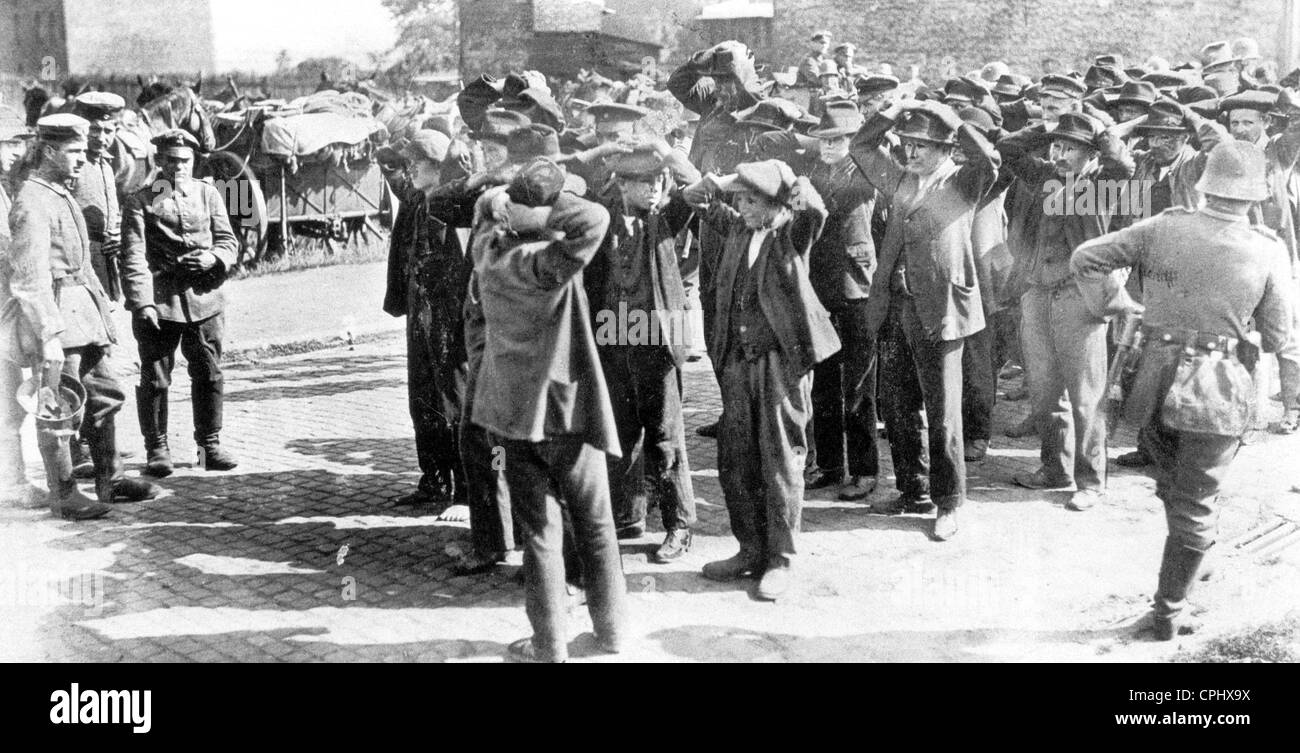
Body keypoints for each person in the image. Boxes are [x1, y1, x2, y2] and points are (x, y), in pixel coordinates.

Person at [1071, 140, 1293, 640]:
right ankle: (1170, 613)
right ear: (1255, 195)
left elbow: (1086, 257)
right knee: (1196, 500)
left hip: (1152, 380)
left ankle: (1196, 560)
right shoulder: (1267, 248)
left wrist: (1119, 305)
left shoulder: (1163, 226)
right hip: (1219, 391)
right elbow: (1282, 338)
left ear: (1204, 186)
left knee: (1173, 483)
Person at [470, 158, 626, 662]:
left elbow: (483, 215)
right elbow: (594, 219)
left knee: (539, 533)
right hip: (567, 415)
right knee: (596, 525)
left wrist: (509, 208)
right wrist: (546, 207)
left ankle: (550, 644)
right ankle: (613, 635)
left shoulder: (487, 255)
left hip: (513, 417)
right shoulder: (548, 263)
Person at [683, 160, 840, 600]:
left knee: (780, 460)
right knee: (736, 457)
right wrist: (719, 180)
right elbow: (691, 197)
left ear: (773, 203)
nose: (741, 207)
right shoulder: (737, 228)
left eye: (750, 200)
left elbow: (812, 206)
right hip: (737, 362)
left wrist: (779, 178)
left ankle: (781, 559)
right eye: (738, 199)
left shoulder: (793, 233)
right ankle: (749, 548)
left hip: (779, 363)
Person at [849, 98, 999, 541]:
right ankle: (912, 490)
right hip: (894, 308)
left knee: (943, 412)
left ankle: (949, 502)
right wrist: (896, 109)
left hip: (940, 310)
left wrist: (950, 116)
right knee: (897, 406)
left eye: (923, 146)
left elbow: (988, 159)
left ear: (948, 147)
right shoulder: (899, 180)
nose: (911, 153)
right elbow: (861, 145)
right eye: (908, 143)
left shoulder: (964, 183)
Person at [8, 114, 158, 515]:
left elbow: (84, 264)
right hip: (59, 319)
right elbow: (28, 277)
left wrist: (105, 316)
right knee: (60, 407)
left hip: (84, 315)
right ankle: (64, 495)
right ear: (51, 151)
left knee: (106, 395)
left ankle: (110, 479)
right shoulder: (31, 199)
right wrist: (48, 335)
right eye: (74, 152)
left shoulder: (59, 192)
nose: (82, 159)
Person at [998, 111, 1134, 511]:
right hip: (1037, 293)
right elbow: (1008, 149)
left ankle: (1090, 480)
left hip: (1080, 297)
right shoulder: (1044, 177)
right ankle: (1054, 467)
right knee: (1043, 391)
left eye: (1070, 147)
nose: (1059, 153)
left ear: (1090, 154)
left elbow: (1122, 163)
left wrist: (1101, 130)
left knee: (1086, 394)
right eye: (1056, 145)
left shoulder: (1103, 184)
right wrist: (1045, 124)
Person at [585, 141, 700, 561]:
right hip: (614, 339)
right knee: (621, 433)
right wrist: (608, 152)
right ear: (622, 185)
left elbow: (695, 184)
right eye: (642, 182)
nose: (654, 188)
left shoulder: (668, 216)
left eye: (657, 181)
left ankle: (680, 525)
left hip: (657, 342)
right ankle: (629, 515)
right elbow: (583, 186)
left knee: (666, 439)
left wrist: (664, 151)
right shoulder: (602, 219)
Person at [120, 129, 240, 476]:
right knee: (155, 378)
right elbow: (133, 258)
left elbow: (228, 241)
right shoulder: (141, 201)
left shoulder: (209, 194)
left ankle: (208, 448)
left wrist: (214, 259)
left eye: (184, 161)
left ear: (193, 161)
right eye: (170, 160)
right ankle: (157, 449)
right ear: (159, 161)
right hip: (162, 303)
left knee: (209, 372)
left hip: (205, 300)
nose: (177, 167)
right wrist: (143, 304)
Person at [381, 129, 471, 509]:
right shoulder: (418, 199)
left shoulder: (457, 206)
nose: (409, 169)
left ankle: (466, 492)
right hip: (420, 313)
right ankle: (433, 480)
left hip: (450, 317)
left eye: (416, 162)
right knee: (422, 398)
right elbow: (396, 177)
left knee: (455, 398)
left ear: (436, 165)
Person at [803, 101, 881, 501]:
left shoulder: (863, 173)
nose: (828, 147)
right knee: (824, 384)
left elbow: (834, 206)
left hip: (855, 287)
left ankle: (865, 470)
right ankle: (831, 466)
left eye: (837, 140)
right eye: (823, 140)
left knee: (858, 386)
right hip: (821, 284)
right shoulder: (816, 171)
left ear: (853, 141)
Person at [67, 92, 127, 480]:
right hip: (78, 266)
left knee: (99, 349)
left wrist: (117, 232)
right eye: (96, 129)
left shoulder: (106, 163)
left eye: (109, 129)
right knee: (77, 360)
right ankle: (79, 446)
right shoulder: (73, 166)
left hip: (104, 265)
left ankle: (96, 437)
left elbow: (111, 207)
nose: (102, 136)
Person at [0, 118, 46, 510]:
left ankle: (14, 482)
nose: (17, 152)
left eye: (19, 143)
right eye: (8, 144)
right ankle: (12, 486)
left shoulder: (6, 186)